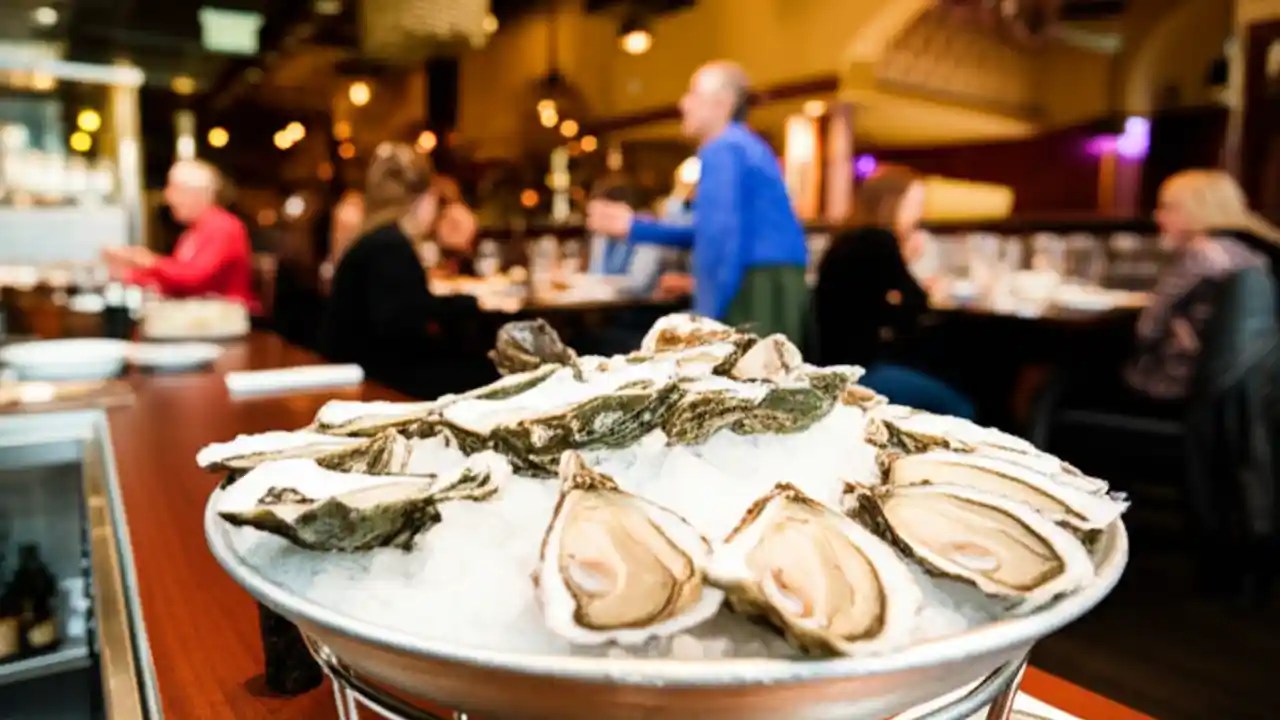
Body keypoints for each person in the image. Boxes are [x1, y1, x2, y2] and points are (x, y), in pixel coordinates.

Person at [586, 60, 809, 342]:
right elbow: (710, 228)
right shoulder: (743, 145)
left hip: (756, 281)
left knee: (752, 377)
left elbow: (719, 238)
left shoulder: (724, 148)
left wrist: (707, 320)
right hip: (770, 278)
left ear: (722, 103)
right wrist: (634, 226)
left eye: (693, 94)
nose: (683, 104)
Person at [319, 143, 489, 399]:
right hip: (379, 377)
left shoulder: (375, 241)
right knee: (488, 375)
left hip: (360, 366)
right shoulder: (390, 246)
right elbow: (404, 327)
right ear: (423, 198)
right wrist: (468, 304)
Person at [814, 165, 976, 419]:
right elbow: (916, 304)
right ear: (893, 203)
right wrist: (909, 264)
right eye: (914, 203)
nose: (919, 214)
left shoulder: (846, 239)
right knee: (961, 406)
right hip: (863, 370)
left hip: (833, 362)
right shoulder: (879, 240)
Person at [104, 160, 256, 309]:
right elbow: (174, 281)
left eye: (175, 189)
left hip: (222, 320)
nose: (168, 197)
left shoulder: (224, 227)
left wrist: (148, 261)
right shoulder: (193, 231)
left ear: (199, 193)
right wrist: (128, 275)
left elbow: (194, 278)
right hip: (199, 316)